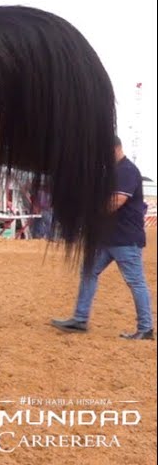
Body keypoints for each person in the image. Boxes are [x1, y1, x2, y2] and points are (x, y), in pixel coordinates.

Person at [51, 136, 154, 340]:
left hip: (125, 238)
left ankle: (146, 328)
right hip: (107, 237)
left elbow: (116, 202)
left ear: (115, 148)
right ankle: (80, 319)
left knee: (135, 281)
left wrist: (90, 214)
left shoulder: (127, 171)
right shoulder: (113, 172)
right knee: (88, 271)